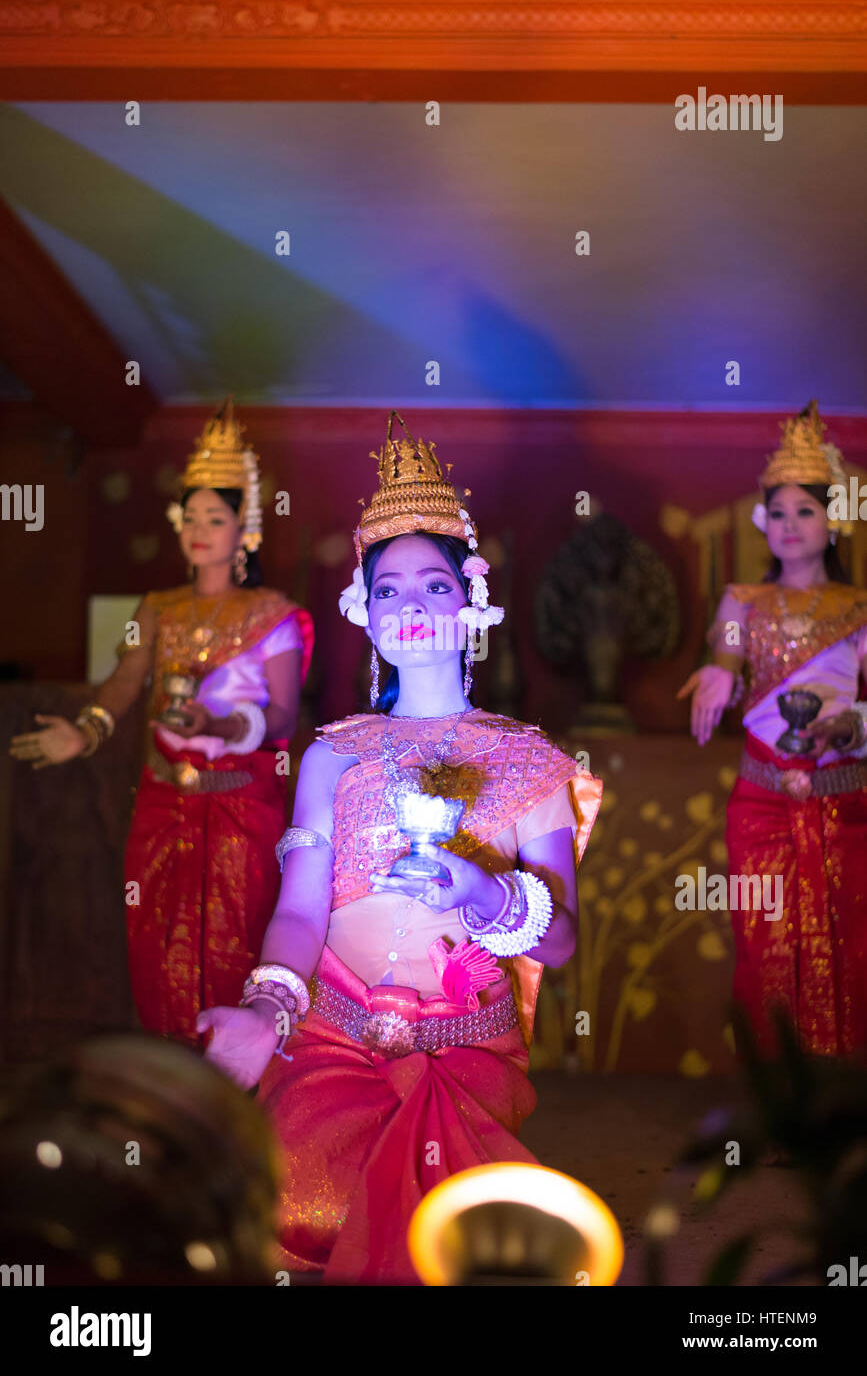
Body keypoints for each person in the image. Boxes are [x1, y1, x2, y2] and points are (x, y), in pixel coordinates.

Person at [198, 412, 603, 1284]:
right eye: (388, 590)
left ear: (472, 600)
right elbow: (303, 906)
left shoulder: (530, 761)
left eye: (432, 586)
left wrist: (486, 897)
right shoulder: (332, 752)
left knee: (447, 1228)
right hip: (334, 1027)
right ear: (365, 613)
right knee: (299, 1204)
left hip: (466, 1045)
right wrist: (267, 1017)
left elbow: (563, 940)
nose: (410, 606)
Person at [10, 401, 313, 1045]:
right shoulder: (157, 608)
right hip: (162, 806)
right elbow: (123, 683)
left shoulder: (274, 616)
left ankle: (238, 1086)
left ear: (245, 529)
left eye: (215, 517)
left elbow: (283, 717)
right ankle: (172, 1086)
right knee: (157, 949)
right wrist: (86, 730)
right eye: (190, 516)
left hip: (241, 812)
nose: (198, 529)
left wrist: (222, 724)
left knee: (239, 945)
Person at [678, 401, 867, 1059]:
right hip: (761, 797)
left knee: (849, 943)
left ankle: (841, 1104)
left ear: (832, 519)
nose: (789, 525)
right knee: (766, 939)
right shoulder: (741, 599)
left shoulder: (858, 609)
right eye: (778, 513)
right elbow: (727, 652)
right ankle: (778, 1101)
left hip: (844, 798)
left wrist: (846, 726)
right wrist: (715, 674)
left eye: (805, 511)